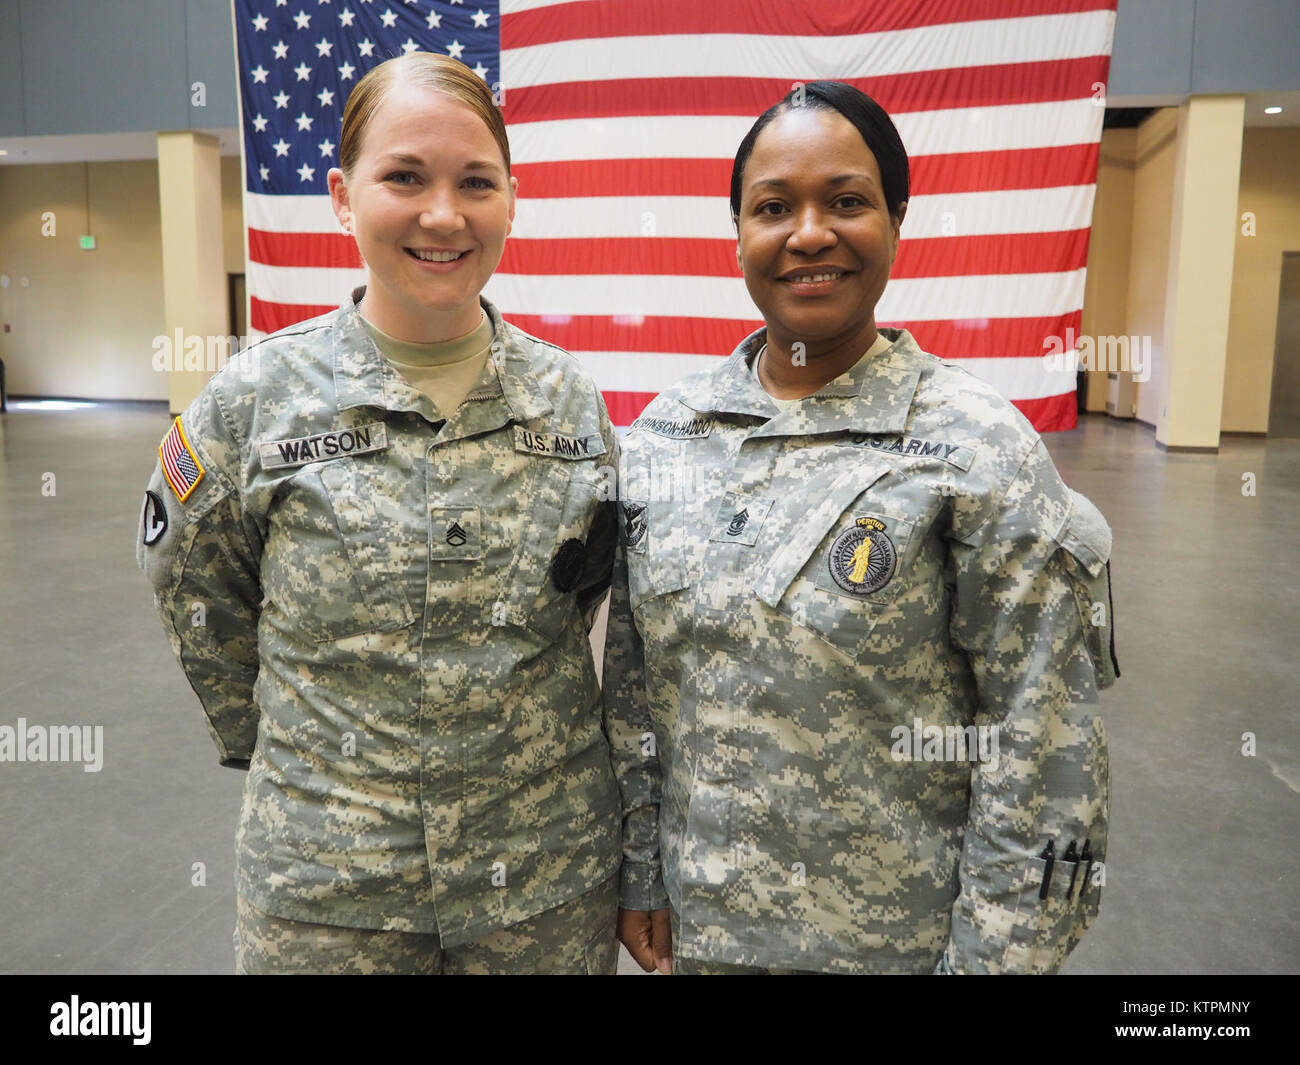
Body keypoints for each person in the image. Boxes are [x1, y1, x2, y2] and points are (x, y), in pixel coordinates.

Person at [606, 81, 1118, 975]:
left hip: (900, 952)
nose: (809, 233)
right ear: (738, 234)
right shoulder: (666, 434)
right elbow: (637, 690)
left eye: (846, 201)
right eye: (774, 207)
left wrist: (993, 965)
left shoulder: (977, 446)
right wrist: (644, 870)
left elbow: (1042, 744)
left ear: (896, 218)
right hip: (700, 944)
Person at [137, 53, 623, 974]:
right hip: (329, 893)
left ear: (511, 201)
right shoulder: (254, 404)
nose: (444, 214)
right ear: (341, 195)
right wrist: (298, 748)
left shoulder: (570, 404)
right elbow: (196, 592)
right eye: (404, 176)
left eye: (476, 182)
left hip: (541, 885)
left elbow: (584, 603)